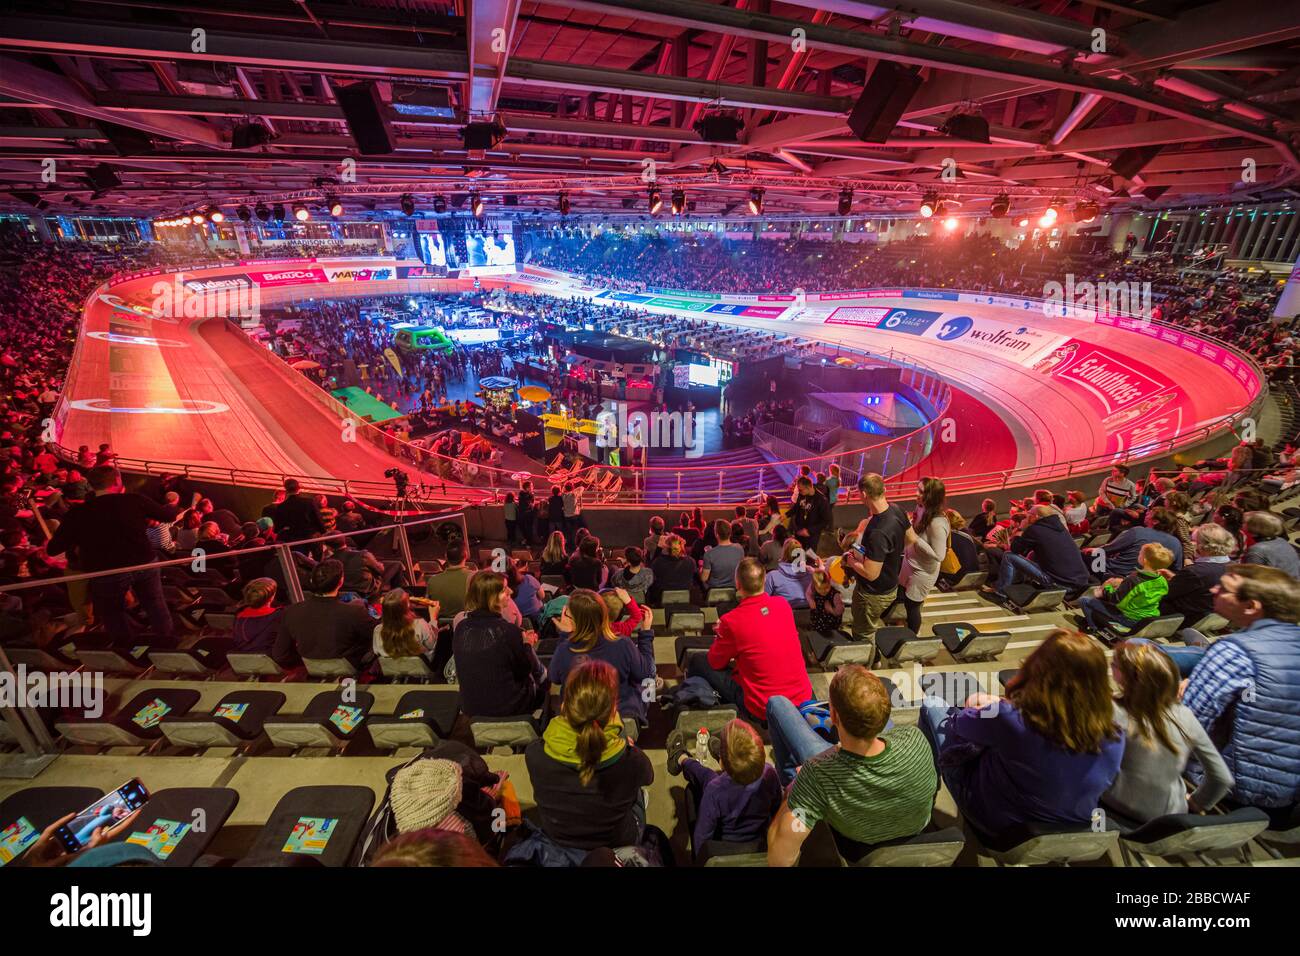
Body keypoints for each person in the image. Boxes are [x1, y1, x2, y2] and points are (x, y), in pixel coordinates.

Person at [918, 629, 1125, 835]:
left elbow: (959, 725)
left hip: (1002, 825)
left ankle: (922, 799)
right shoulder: (1116, 734)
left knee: (933, 703)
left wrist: (979, 702)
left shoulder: (1010, 719)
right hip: (1078, 826)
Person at [765, 665, 937, 865]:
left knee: (776, 703)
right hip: (914, 829)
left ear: (834, 716)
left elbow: (779, 856)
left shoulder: (816, 775)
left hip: (857, 843)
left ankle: (787, 778)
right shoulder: (915, 738)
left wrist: (796, 788)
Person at [1176, 564, 1300, 808]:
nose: (1213, 589)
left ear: (1251, 606)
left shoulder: (1235, 651)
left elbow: (1184, 728)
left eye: (1223, 588)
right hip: (1290, 791)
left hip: (1232, 786)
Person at [524, 660, 655, 852]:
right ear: (612, 709)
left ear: (564, 705)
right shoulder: (631, 760)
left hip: (558, 837)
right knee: (639, 794)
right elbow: (648, 777)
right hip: (617, 842)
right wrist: (626, 746)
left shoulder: (534, 753)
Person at [1102, 640, 1233, 822]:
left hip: (1115, 807)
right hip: (1170, 817)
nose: (1110, 666)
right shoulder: (1185, 716)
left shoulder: (1112, 711)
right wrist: (1198, 802)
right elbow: (1222, 779)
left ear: (1128, 677)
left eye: (1114, 665)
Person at [46, 465, 177, 645]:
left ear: (91, 485)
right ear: (117, 481)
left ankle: (127, 650)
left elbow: (53, 549)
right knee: (155, 603)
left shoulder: (78, 513)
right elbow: (169, 515)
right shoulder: (133, 500)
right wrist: (170, 503)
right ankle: (167, 643)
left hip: (106, 571)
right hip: (143, 563)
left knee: (113, 612)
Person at [688, 558, 812, 722]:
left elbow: (715, 662)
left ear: (737, 584)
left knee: (698, 660)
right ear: (765, 579)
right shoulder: (783, 605)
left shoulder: (731, 621)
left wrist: (723, 635)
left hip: (762, 708)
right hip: (801, 700)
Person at [665, 718, 781, 857]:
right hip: (760, 843)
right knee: (708, 777)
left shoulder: (715, 789)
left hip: (724, 847)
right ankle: (726, 758)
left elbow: (702, 837)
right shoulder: (770, 773)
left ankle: (681, 758)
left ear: (722, 764)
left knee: (698, 784)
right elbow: (776, 810)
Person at [548, 588, 656, 729]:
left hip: (578, 719)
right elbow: (644, 674)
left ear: (574, 620)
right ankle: (644, 719)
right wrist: (646, 634)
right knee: (650, 679)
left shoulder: (565, 648)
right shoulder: (623, 643)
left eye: (566, 612)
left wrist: (564, 636)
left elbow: (554, 677)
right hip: (619, 715)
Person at [452, 570, 546, 717]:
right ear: (492, 598)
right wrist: (527, 645)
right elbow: (524, 670)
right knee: (536, 677)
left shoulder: (461, 628)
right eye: (504, 589)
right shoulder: (508, 631)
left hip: (472, 708)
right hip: (508, 708)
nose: (510, 591)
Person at [842, 473, 910, 651]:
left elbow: (871, 574)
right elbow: (910, 540)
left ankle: (865, 669)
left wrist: (851, 561)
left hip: (873, 594)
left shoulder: (878, 531)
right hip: (891, 585)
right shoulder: (897, 510)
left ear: (864, 494)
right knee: (870, 628)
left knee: (864, 634)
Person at [273, 559, 376, 670]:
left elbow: (280, 655)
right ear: (341, 582)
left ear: (312, 580)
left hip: (310, 671)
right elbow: (379, 637)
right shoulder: (355, 611)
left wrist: (308, 662)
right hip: (351, 673)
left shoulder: (290, 611)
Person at [985, 505, 1089, 596]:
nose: (1026, 517)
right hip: (1080, 582)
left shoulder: (1035, 530)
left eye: (1028, 515)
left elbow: (1015, 549)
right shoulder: (1060, 527)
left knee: (1008, 556)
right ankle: (1017, 583)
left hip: (1060, 584)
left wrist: (1021, 529)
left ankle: (1000, 590)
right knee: (1033, 554)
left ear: (1036, 517)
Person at [891, 477, 950, 633]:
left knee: (913, 606)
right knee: (900, 593)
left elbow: (939, 556)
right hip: (910, 563)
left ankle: (911, 636)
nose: (916, 493)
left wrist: (914, 538)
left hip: (922, 572)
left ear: (931, 496)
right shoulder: (920, 507)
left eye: (921, 491)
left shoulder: (938, 523)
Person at [1078, 543, 1174, 634]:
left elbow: (1116, 600)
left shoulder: (1134, 580)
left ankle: (1093, 628)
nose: (1138, 554)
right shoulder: (1162, 580)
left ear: (1144, 560)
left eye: (1140, 552)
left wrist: (1105, 589)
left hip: (1128, 618)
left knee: (1084, 601)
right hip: (1145, 619)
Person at [1159, 522, 1234, 625]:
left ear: (1203, 546)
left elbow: (1164, 594)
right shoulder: (1235, 568)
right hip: (1210, 618)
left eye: (1194, 541)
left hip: (1181, 619)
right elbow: (1201, 587)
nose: (1191, 544)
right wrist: (1177, 578)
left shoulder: (1195, 571)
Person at [1094, 507, 1184, 578]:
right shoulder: (1176, 543)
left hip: (1113, 573)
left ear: (1155, 521)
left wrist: (1093, 550)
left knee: (1089, 554)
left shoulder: (1138, 531)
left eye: (1149, 513)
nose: (1146, 514)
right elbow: (1176, 570)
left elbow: (1108, 549)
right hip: (1146, 582)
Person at [373, 588, 439, 659]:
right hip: (421, 667)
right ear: (407, 605)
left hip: (392, 669)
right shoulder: (420, 625)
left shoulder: (377, 630)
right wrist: (433, 618)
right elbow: (432, 645)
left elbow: (376, 652)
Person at [230, 577, 283, 656]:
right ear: (271, 597)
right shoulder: (279, 615)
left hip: (243, 660)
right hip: (270, 661)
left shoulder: (239, 614)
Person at [1242, 511, 1300, 578]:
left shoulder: (1258, 549)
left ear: (1253, 527)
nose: (1241, 524)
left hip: (1283, 585)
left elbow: (1250, 575)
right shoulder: (1280, 540)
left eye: (1244, 522)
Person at [425, 540, 473, 617]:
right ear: (466, 555)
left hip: (440, 627)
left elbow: (428, 606)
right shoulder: (475, 578)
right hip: (469, 626)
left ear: (446, 557)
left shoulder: (432, 581)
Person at [272, 478, 325, 544]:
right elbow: (318, 519)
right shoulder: (309, 502)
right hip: (310, 538)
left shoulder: (281, 506)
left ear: (286, 489)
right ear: (299, 488)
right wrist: (323, 532)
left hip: (292, 539)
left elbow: (277, 528)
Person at [763, 538, 812, 607]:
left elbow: (762, 604)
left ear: (784, 553)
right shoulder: (811, 576)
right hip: (807, 617)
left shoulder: (772, 577)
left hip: (781, 616)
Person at [648, 533, 695, 603]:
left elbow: (650, 569)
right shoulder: (691, 561)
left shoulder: (659, 562)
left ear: (666, 548)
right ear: (682, 546)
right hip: (685, 598)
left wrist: (659, 548)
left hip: (661, 598)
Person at [788, 475, 831, 552]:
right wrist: (786, 515)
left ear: (808, 487)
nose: (799, 492)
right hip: (799, 531)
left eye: (800, 490)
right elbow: (796, 507)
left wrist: (809, 531)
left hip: (812, 535)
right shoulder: (802, 495)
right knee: (797, 554)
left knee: (810, 557)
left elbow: (826, 521)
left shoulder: (821, 500)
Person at [700, 519, 744, 590]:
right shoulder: (739, 548)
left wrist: (701, 567)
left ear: (716, 534)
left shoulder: (709, 554)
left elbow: (704, 578)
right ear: (730, 533)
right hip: (735, 589)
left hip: (714, 592)